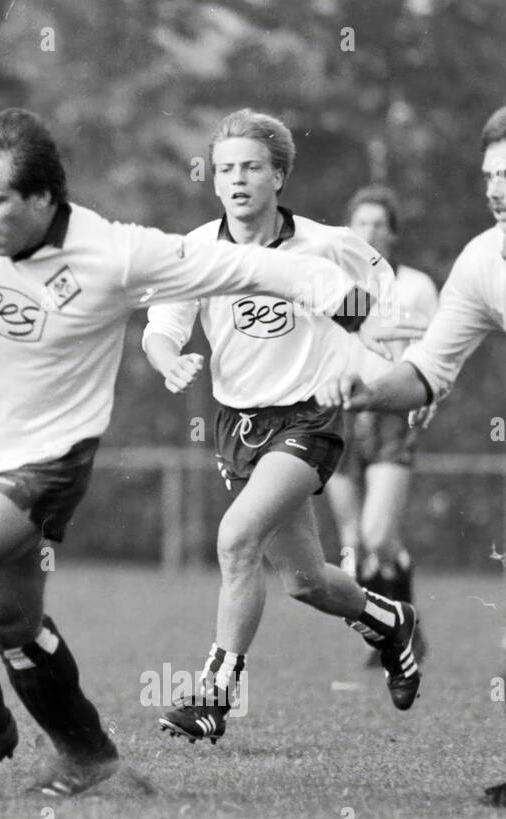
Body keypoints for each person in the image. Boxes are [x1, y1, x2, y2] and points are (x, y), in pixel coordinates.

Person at [0, 107, 369, 796]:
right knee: (12, 621)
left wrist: (328, 287)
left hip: (48, 462)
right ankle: (91, 758)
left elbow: (234, 262)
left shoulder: (111, 252)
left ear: (43, 198)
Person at [144, 109, 424, 746]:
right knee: (306, 582)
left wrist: (404, 372)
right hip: (238, 427)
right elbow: (162, 329)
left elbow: (383, 309)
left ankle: (215, 695)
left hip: (310, 417)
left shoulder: (327, 245)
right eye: (224, 169)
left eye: (250, 167)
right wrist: (170, 361)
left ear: (279, 176)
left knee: (236, 538)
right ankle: (390, 621)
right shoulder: (197, 251)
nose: (235, 179)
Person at [321, 98, 506, 808]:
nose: (494, 188)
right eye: (489, 174)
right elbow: (426, 370)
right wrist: (361, 389)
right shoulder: (485, 260)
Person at [324, 186, 439, 666]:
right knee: (352, 539)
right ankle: (388, 637)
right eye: (360, 222)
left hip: (391, 416)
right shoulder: (329, 282)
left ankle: (407, 625)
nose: (369, 231)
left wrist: (429, 391)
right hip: (341, 415)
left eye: (378, 223)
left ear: (391, 233)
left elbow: (434, 352)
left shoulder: (415, 285)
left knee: (379, 538)